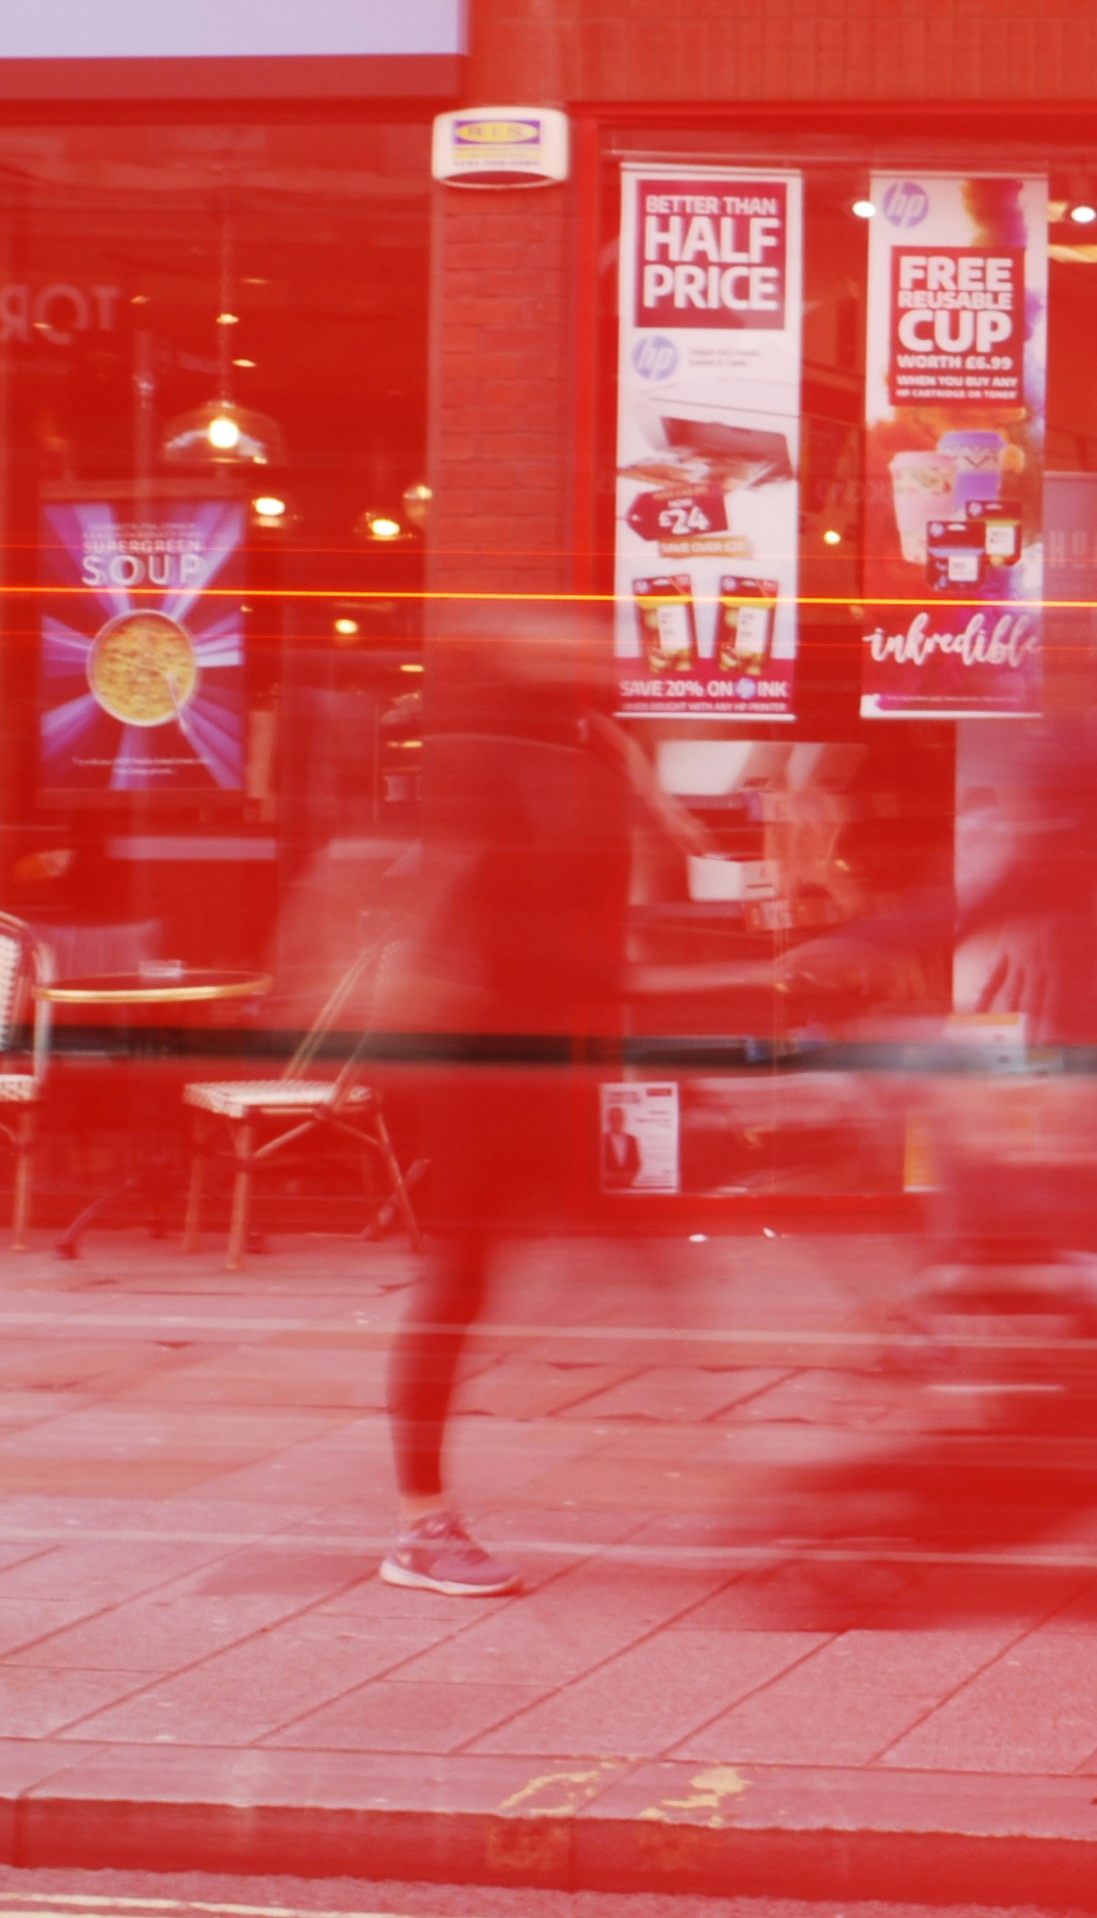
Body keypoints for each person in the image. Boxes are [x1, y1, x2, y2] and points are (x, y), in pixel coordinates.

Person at [371, 597, 691, 1597]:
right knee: (462, 1281)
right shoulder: (488, 759)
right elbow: (528, 937)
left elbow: (599, 920)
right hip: (482, 1062)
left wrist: (641, 790)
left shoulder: (583, 755)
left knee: (623, 1253)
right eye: (568, 637)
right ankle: (420, 1527)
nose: (596, 645)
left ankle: (723, 1463)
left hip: (537, 1051)